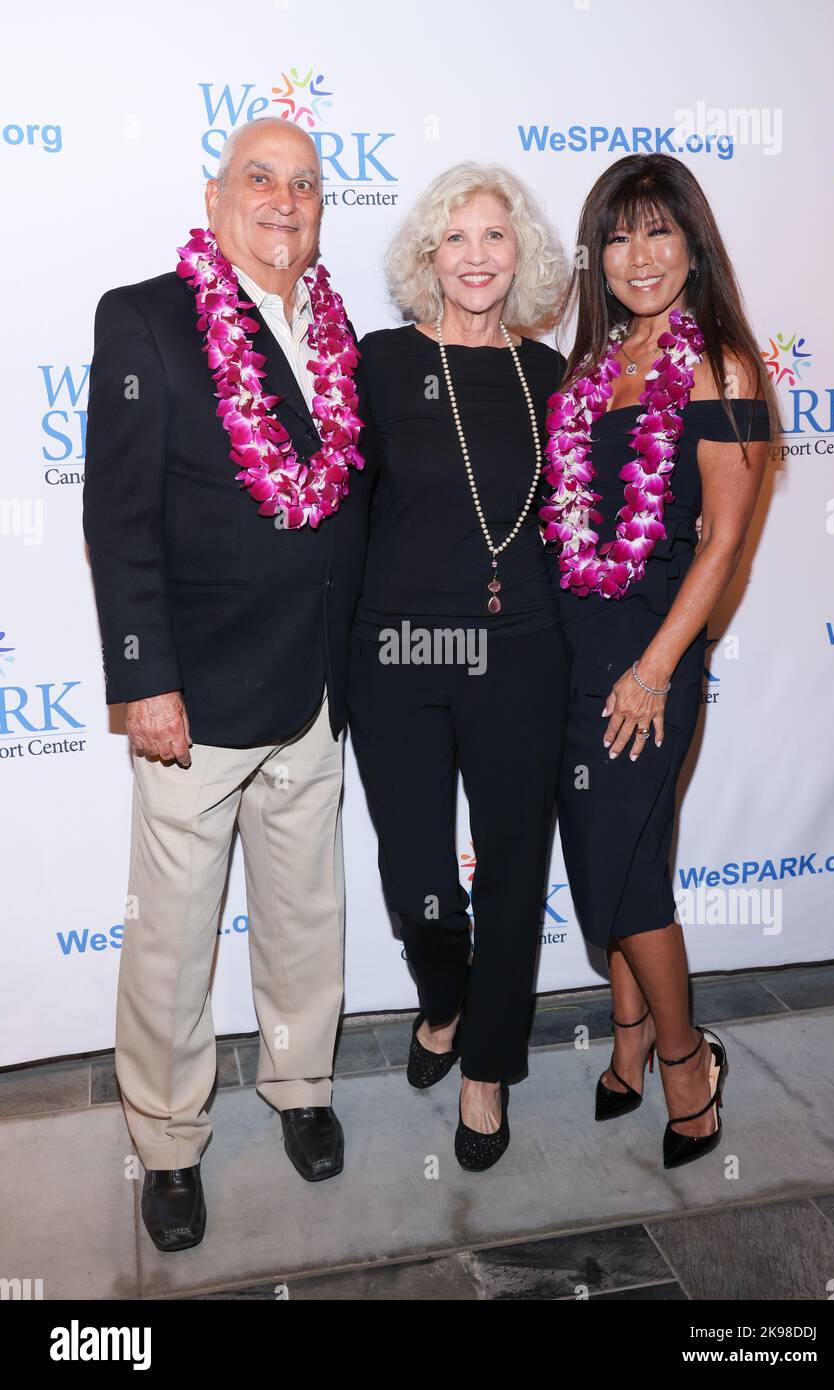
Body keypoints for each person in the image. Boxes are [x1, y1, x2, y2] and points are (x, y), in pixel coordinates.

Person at [82, 116, 373, 1251]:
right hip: (193, 701)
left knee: (307, 914)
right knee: (172, 938)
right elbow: (121, 520)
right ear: (216, 199)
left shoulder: (339, 327)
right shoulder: (146, 317)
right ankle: (166, 1140)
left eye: (304, 183)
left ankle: (301, 1090)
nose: (284, 198)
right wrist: (144, 681)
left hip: (311, 687)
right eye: (261, 177)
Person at [543, 153, 778, 1170]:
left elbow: (724, 540)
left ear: (693, 244)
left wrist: (654, 669)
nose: (640, 256)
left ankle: (687, 1064)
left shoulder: (723, 364)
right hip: (573, 643)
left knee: (620, 874)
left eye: (659, 232)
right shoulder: (589, 369)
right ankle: (629, 1038)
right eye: (619, 236)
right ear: (597, 255)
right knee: (619, 861)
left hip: (657, 648)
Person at [347, 163, 570, 1171]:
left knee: (516, 862)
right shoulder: (383, 362)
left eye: (495, 236)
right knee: (421, 874)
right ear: (426, 255)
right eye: (456, 237)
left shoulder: (547, 376)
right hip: (402, 650)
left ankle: (488, 1063)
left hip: (520, 647)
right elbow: (340, 515)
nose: (476, 255)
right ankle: (443, 995)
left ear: (520, 255)